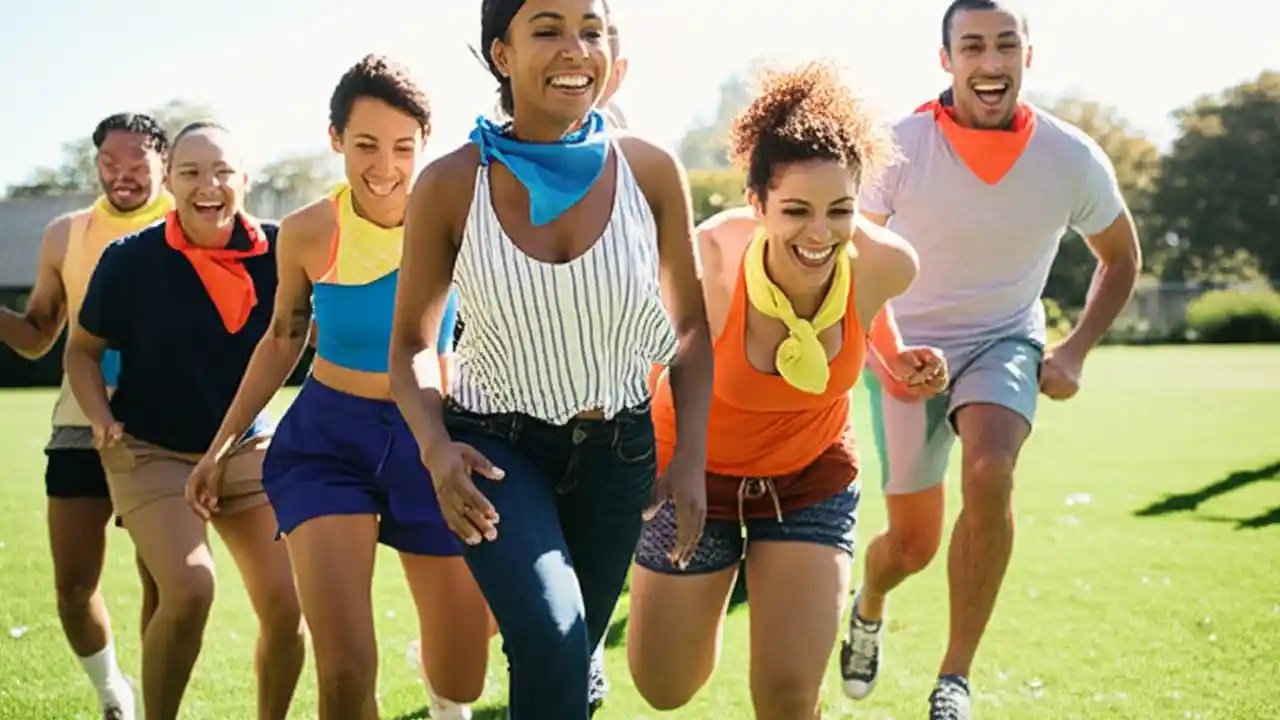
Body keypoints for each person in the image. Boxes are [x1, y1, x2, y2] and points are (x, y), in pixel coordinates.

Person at [388, 1, 714, 717]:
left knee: (569, 655)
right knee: (554, 635)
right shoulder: (449, 184)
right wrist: (437, 447)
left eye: (591, 31)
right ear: (501, 54)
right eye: (547, 30)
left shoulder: (650, 170)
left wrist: (690, 456)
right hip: (495, 451)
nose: (576, 49)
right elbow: (413, 341)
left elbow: (690, 327)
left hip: (619, 458)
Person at [838, 2, 1142, 717]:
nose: (991, 61)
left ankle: (954, 678)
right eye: (972, 46)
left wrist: (1074, 349)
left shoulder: (1070, 157)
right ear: (946, 60)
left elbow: (1121, 257)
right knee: (909, 546)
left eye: (1006, 45)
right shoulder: (898, 145)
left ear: (1028, 56)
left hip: (1004, 339)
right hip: (905, 353)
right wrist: (885, 357)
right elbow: (852, 259)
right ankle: (871, 599)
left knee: (990, 471)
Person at [625, 60, 948, 718]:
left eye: (841, 211)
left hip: (809, 480)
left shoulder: (888, 263)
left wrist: (891, 362)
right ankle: (702, 610)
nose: (820, 232)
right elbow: (652, 368)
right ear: (757, 204)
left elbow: (862, 309)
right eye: (796, 210)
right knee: (664, 687)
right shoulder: (711, 260)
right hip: (692, 476)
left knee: (788, 697)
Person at [188, 55, 489, 720]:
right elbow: (282, 338)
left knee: (464, 674)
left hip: (430, 441)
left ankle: (442, 677)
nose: (385, 167)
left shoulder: (460, 221)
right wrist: (219, 447)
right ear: (335, 140)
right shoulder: (305, 232)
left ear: (424, 147)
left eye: (403, 148)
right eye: (366, 146)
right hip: (328, 440)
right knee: (347, 672)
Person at [65, 121, 306, 720]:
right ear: (168, 181)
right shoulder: (130, 259)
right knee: (192, 588)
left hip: (246, 447)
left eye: (223, 171)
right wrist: (100, 420)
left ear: (244, 180)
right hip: (151, 451)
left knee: (287, 603)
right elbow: (80, 350)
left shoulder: (280, 251)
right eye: (192, 172)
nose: (209, 185)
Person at [0, 112, 172, 720]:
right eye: (109, 164)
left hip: (166, 431)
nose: (122, 176)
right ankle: (111, 693)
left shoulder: (192, 222)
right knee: (73, 590)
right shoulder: (64, 234)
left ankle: (158, 706)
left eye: (136, 164)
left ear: (163, 164)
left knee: (165, 585)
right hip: (79, 423)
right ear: (95, 163)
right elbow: (37, 337)